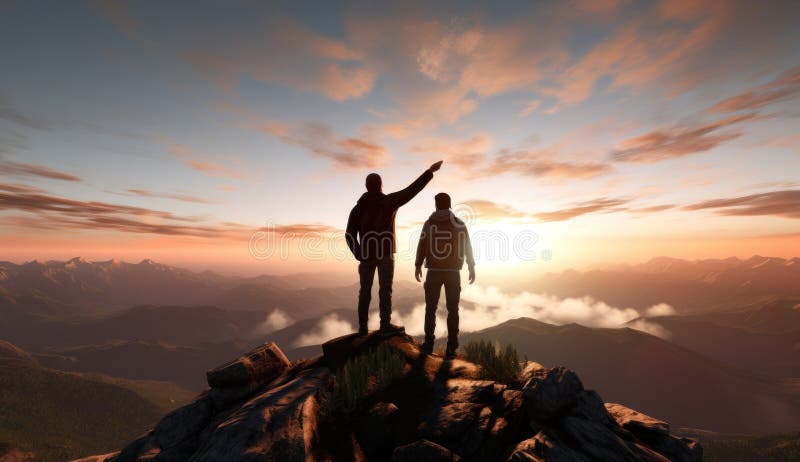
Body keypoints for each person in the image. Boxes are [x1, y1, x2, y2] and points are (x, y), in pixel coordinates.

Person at [346, 161, 443, 336]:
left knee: (364, 291)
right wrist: (429, 171)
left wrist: (359, 253)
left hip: (366, 256)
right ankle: (385, 325)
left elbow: (349, 234)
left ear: (367, 187)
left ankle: (362, 328)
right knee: (385, 289)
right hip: (385, 254)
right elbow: (411, 190)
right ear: (381, 185)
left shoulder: (358, 208)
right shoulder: (389, 202)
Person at [415, 192, 475, 358]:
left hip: (433, 271)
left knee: (430, 308)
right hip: (453, 272)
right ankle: (451, 347)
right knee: (453, 309)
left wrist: (418, 265)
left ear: (436, 205)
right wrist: (471, 266)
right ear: (450, 205)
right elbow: (467, 245)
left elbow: (422, 244)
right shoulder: (459, 224)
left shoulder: (428, 224)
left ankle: (428, 343)